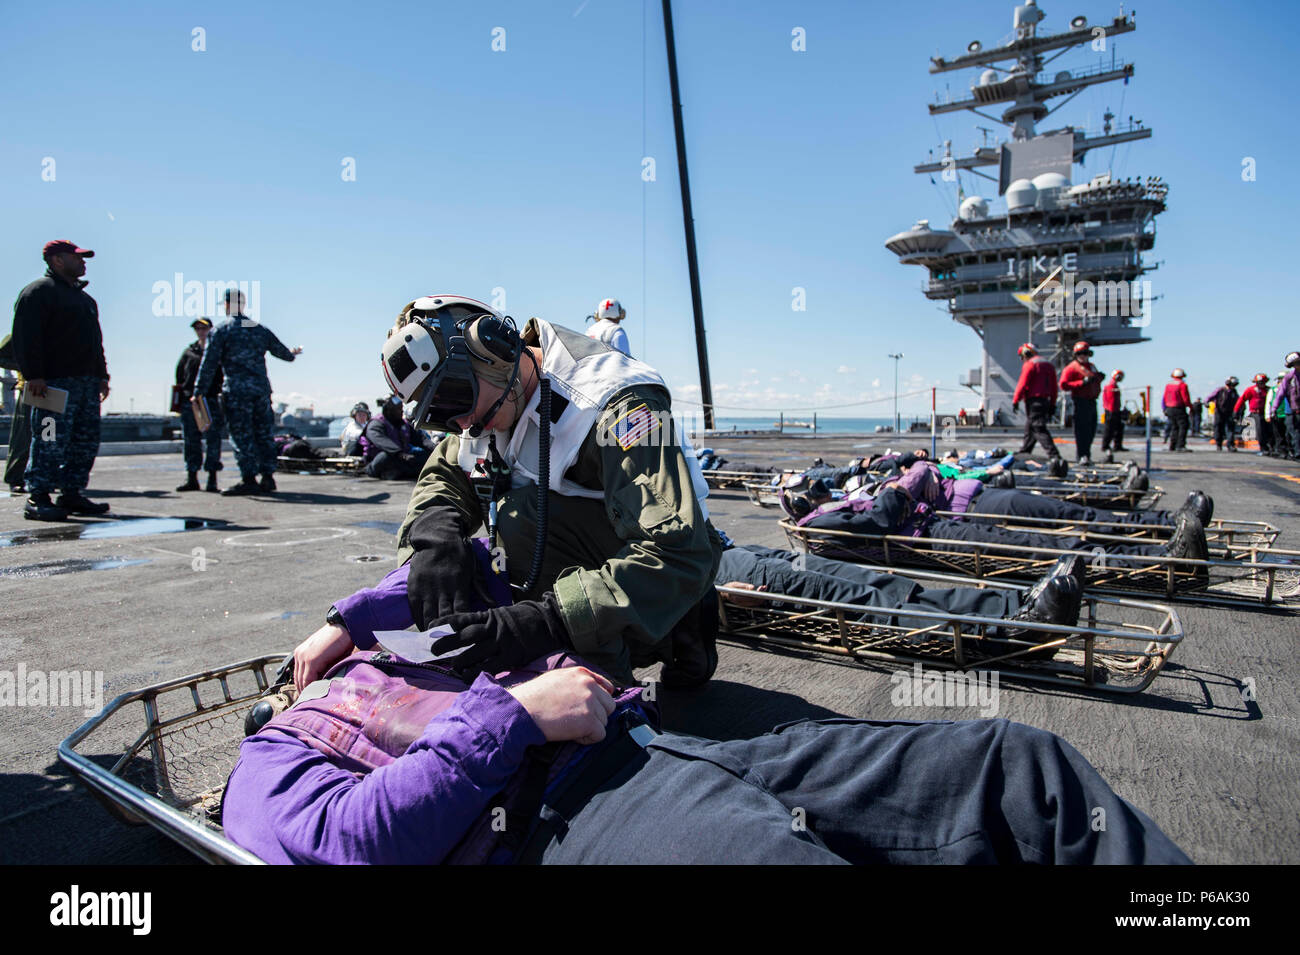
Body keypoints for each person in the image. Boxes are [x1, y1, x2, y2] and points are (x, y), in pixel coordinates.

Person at [223, 547, 1190, 865]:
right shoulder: (271, 757)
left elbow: (455, 566)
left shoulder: (389, 647)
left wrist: (339, 618)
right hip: (573, 811)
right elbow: (349, 845)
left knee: (1015, 766)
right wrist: (513, 715)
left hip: (665, 746)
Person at [292, 295, 720, 692]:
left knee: (522, 522)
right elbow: (444, 473)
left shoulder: (620, 404)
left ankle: (640, 651)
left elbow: (678, 550)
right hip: (572, 542)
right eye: (437, 416)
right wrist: (433, 539)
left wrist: (546, 622)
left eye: (455, 399)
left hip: (666, 557)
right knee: (498, 538)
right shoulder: (485, 397)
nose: (459, 424)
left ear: (494, 349)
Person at [10, 239, 112, 521]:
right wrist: (34, 376)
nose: (83, 262)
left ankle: (72, 493)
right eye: (77, 258)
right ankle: (38, 496)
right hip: (53, 383)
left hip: (86, 384)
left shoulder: (85, 300)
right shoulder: (37, 293)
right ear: (57, 260)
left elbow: (96, 342)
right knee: (48, 439)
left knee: (85, 441)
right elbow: (25, 338)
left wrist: (101, 375)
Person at [193, 289, 302, 495]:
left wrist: (198, 391)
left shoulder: (222, 330)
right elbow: (285, 355)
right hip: (261, 391)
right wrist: (293, 353)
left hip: (237, 392)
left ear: (227, 305)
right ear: (242, 305)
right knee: (264, 433)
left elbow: (208, 364)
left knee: (241, 435)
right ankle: (268, 477)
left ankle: (249, 478)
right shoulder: (258, 328)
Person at [173, 318, 225, 492]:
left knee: (213, 440)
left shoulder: (217, 352)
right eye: (198, 329)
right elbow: (180, 376)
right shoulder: (189, 352)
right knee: (191, 440)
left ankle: (212, 479)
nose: (201, 331)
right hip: (192, 402)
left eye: (204, 328)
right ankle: (192, 478)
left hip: (210, 399)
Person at [360, 395, 438, 480]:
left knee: (426, 456)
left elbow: (421, 440)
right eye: (398, 409)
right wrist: (399, 453)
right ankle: (400, 472)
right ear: (389, 410)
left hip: (403, 459)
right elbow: (380, 440)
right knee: (385, 456)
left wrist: (436, 449)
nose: (401, 411)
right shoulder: (376, 424)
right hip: (380, 460)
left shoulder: (404, 424)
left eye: (401, 408)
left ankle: (400, 472)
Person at [1010, 342, 1060, 460]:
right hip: (1045, 401)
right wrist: (1052, 403)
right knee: (1030, 425)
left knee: (1038, 428)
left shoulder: (1030, 364)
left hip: (1034, 401)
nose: (1022, 360)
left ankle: (1054, 455)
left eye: (1022, 357)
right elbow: (1054, 387)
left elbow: (1022, 384)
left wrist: (1016, 400)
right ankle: (1025, 451)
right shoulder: (1049, 365)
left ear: (1026, 354)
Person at [1058, 340, 1104, 466]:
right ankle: (1082, 455)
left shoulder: (1091, 366)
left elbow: (1096, 379)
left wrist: (1099, 377)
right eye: (1080, 353)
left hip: (1092, 401)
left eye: (1085, 353)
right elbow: (1063, 384)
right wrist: (1081, 382)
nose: (1083, 356)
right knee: (1082, 430)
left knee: (1091, 429)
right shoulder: (1071, 368)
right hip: (1080, 401)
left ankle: (1087, 454)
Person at [1234, 373, 1271, 456]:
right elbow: (1241, 400)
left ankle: (1271, 447)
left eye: (1262, 382)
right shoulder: (1250, 390)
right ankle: (1263, 448)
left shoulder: (1269, 390)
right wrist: (1236, 411)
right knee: (1260, 430)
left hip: (1267, 413)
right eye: (1258, 382)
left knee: (1269, 430)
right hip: (1256, 413)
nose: (1260, 384)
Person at [1274, 353, 1300, 459]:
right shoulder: (1289, 377)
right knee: (1293, 432)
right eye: (1295, 363)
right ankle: (1297, 453)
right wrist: (1274, 409)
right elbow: (1280, 394)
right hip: (1292, 411)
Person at [1099, 368, 1128, 461]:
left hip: (1115, 410)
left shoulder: (1114, 386)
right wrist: (1111, 410)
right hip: (1111, 411)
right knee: (1109, 429)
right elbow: (1110, 400)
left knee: (1119, 428)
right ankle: (1105, 445)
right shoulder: (1110, 386)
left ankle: (1117, 445)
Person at [1163, 368, 1191, 452]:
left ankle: (1172, 445)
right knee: (1183, 426)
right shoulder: (1182, 385)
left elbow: (1165, 397)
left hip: (1169, 408)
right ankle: (1180, 445)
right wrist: (1190, 407)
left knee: (1174, 427)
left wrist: (1165, 408)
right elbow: (1185, 398)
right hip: (1179, 408)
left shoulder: (1168, 385)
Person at [1208, 377, 1239, 451]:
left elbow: (1238, 400)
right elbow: (1211, 396)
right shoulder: (1220, 390)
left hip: (1230, 412)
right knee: (1218, 428)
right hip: (1219, 412)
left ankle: (1230, 444)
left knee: (1230, 428)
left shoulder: (1234, 392)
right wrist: (1206, 402)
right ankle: (1219, 444)